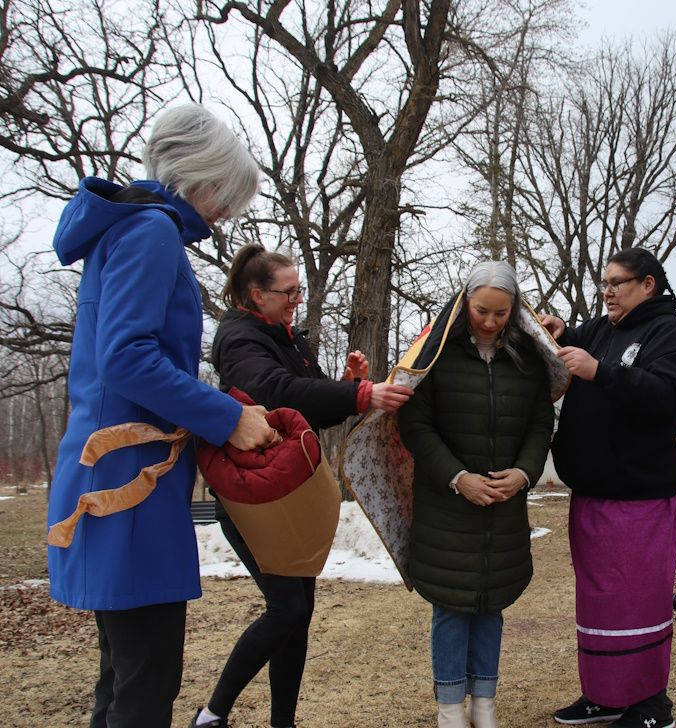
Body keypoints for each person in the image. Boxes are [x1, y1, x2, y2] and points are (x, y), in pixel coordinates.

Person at [46, 104, 279, 728]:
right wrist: (226, 420)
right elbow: (126, 360)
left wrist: (217, 405)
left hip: (120, 479)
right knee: (146, 685)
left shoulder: (130, 230)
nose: (227, 211)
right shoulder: (151, 232)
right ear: (202, 178)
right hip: (126, 486)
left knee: (124, 680)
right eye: (227, 193)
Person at [190, 244, 414, 728]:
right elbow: (275, 390)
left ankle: (282, 723)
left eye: (298, 290)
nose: (296, 298)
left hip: (284, 494)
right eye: (287, 291)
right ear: (257, 295)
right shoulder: (240, 340)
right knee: (288, 607)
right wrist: (361, 393)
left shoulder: (285, 335)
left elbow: (304, 408)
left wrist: (347, 383)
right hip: (254, 501)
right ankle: (211, 714)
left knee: (296, 611)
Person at [540, 248, 676, 728]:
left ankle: (651, 704)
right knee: (600, 601)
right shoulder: (604, 327)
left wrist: (599, 372)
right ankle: (604, 695)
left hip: (640, 497)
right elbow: (570, 336)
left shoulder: (669, 334)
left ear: (647, 285)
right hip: (592, 494)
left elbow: (666, 398)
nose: (607, 291)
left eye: (617, 283)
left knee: (637, 600)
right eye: (604, 283)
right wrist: (557, 328)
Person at [397, 261, 556, 728]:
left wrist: (525, 473)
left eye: (501, 313)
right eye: (481, 310)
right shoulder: (434, 352)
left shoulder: (528, 359)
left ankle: (484, 704)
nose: (489, 321)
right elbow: (415, 425)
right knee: (450, 606)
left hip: (504, 504)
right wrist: (457, 477)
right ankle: (450, 707)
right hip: (447, 502)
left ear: (515, 311)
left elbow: (540, 423)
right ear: (464, 302)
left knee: (493, 602)